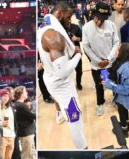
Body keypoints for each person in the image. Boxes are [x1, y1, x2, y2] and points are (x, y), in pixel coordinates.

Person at [37, 1, 87, 149]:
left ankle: (59, 115)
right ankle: (82, 147)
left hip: (50, 77)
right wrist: (78, 54)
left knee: (57, 99)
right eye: (68, 16)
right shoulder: (54, 37)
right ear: (59, 14)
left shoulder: (44, 24)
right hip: (61, 84)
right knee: (75, 117)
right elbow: (63, 72)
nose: (70, 21)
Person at [82, 1, 120, 116]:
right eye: (98, 18)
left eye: (103, 19)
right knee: (99, 86)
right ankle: (100, 104)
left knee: (113, 83)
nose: (99, 22)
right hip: (96, 65)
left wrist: (108, 59)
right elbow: (86, 47)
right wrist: (98, 61)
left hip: (110, 62)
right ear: (93, 14)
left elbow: (116, 42)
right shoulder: (86, 28)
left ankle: (116, 99)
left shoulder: (111, 25)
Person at [104, 43, 129, 137]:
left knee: (122, 111)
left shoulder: (126, 68)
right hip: (122, 97)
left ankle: (124, 130)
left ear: (123, 53)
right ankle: (126, 124)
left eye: (118, 50)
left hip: (124, 96)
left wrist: (111, 85)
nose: (115, 51)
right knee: (123, 110)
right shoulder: (123, 62)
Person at [14, 86, 36, 159]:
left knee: (31, 153)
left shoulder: (17, 105)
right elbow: (32, 116)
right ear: (21, 94)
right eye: (25, 91)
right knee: (26, 154)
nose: (27, 92)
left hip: (26, 132)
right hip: (26, 133)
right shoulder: (22, 105)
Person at [65, 8, 84, 90]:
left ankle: (78, 84)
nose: (67, 20)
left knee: (79, 71)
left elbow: (82, 38)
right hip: (66, 54)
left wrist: (77, 39)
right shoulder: (61, 29)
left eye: (68, 18)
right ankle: (68, 87)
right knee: (67, 72)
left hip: (76, 53)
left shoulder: (76, 27)